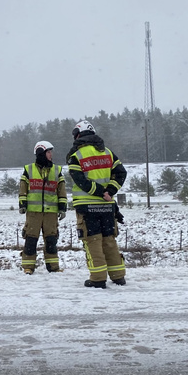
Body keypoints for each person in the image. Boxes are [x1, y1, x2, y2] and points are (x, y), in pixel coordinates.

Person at [67, 120, 127, 288]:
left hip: (87, 207)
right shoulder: (108, 153)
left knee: (93, 242)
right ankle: (118, 276)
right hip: (107, 206)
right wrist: (110, 191)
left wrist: (100, 191)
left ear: (78, 135)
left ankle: (98, 279)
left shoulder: (77, 155)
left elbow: (80, 180)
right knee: (109, 240)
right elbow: (121, 173)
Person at [18, 140, 67, 274]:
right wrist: (22, 204)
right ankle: (28, 267)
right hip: (34, 213)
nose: (51, 155)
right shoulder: (29, 170)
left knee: (51, 240)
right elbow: (23, 188)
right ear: (41, 153)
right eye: (49, 152)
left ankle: (53, 267)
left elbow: (61, 190)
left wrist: (62, 207)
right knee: (31, 240)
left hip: (51, 213)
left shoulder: (57, 170)